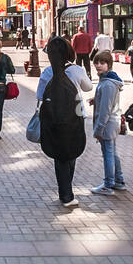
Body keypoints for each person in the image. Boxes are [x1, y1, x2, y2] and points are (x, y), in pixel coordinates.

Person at [38, 36, 89, 208]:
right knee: (71, 153)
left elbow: (39, 96)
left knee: (59, 156)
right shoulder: (76, 70)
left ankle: (65, 192)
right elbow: (88, 87)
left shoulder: (46, 73)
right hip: (74, 117)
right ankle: (67, 193)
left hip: (52, 120)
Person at [89, 50, 127, 195]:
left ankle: (109, 184)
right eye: (96, 63)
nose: (98, 65)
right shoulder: (107, 81)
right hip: (111, 123)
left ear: (109, 65)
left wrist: (99, 129)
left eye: (102, 63)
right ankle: (118, 181)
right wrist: (96, 99)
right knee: (112, 152)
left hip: (108, 124)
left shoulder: (108, 84)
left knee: (108, 154)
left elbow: (105, 109)